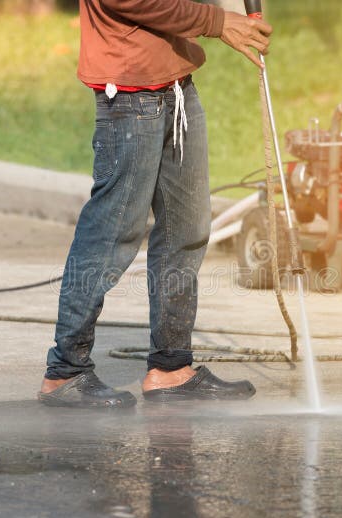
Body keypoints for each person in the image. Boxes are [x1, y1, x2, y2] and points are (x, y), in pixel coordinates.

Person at [38, 0, 272, 408]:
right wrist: (218, 22)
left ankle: (171, 368)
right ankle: (65, 372)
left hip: (177, 90)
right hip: (129, 98)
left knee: (187, 230)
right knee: (113, 232)